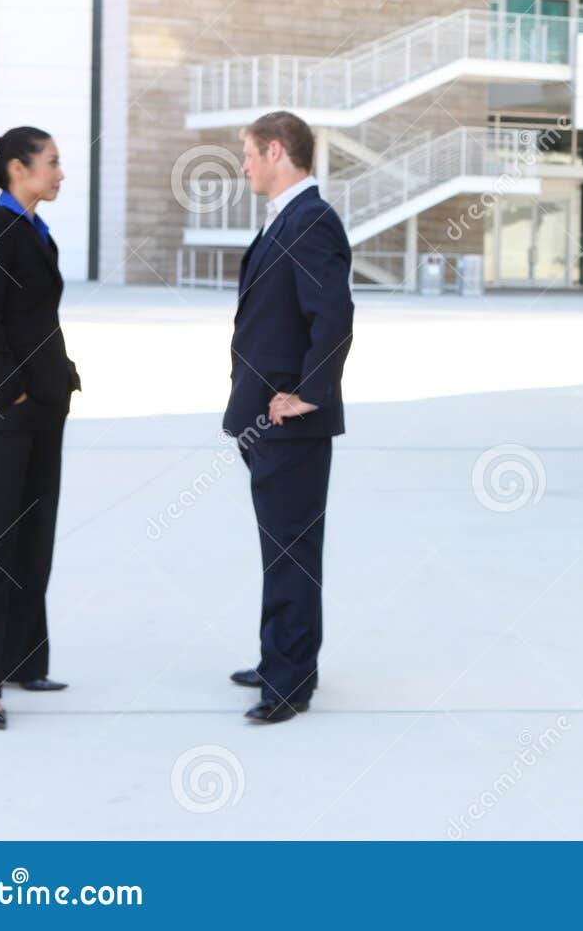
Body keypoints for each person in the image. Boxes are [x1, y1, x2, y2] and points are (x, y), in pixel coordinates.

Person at [223, 110, 353, 724]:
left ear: (276, 151)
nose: (243, 165)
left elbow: (334, 315)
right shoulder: (287, 219)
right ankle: (283, 656)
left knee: (293, 550)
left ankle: (290, 682)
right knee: (280, 548)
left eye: (248, 153)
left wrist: (310, 392)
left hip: (290, 421)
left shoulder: (312, 222)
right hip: (264, 418)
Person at [0, 127, 81, 731]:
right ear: (17, 168)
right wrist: (21, 387)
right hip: (6, 409)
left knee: (35, 533)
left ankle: (25, 659)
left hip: (44, 402)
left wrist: (60, 376)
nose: (61, 173)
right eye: (52, 163)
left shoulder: (33, 229)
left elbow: (35, 317)